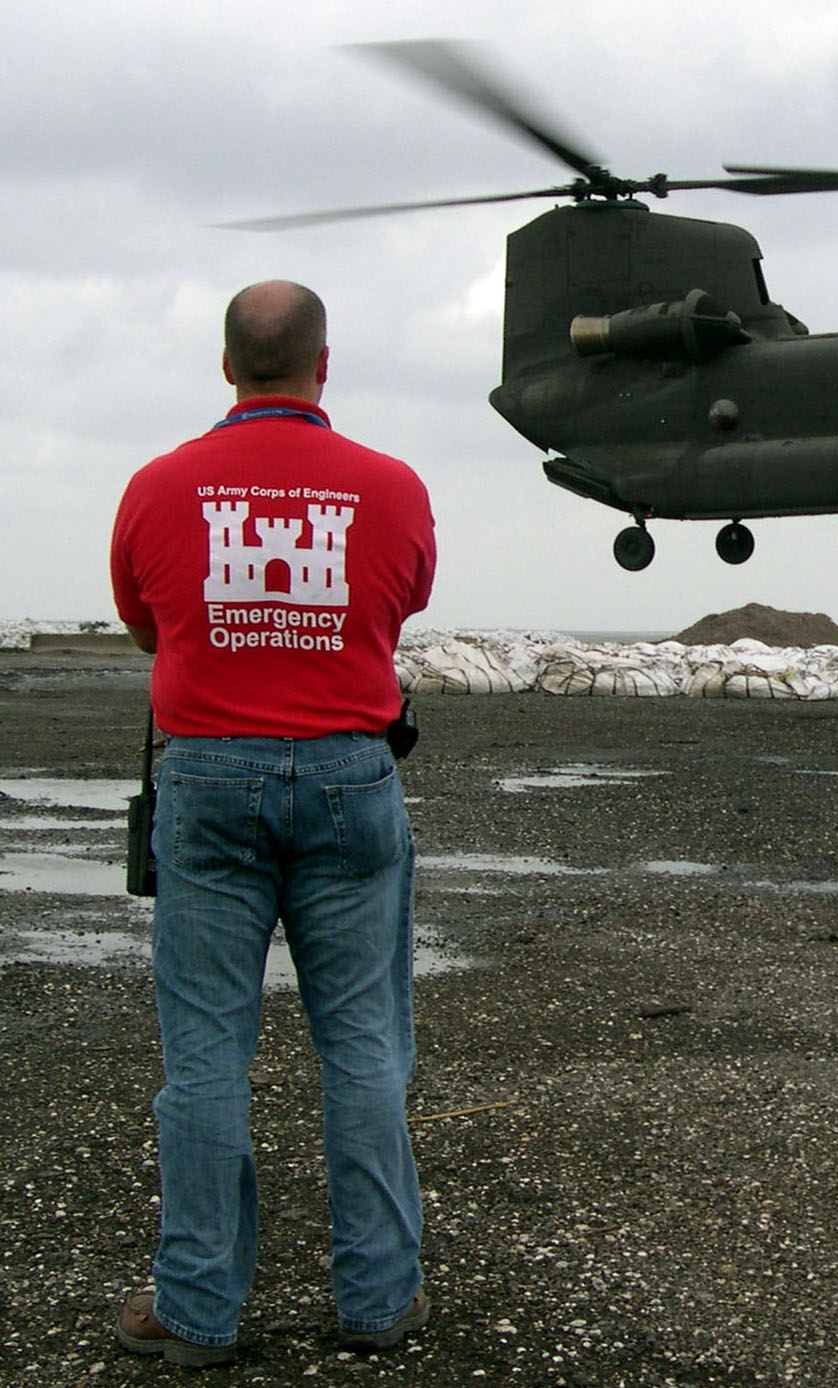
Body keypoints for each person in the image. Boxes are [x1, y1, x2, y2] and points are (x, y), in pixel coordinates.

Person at [108, 281, 437, 1365]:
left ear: (225, 367)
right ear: (322, 365)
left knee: (203, 1053)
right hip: (350, 776)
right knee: (365, 1044)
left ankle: (196, 1306)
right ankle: (380, 1298)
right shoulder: (391, 489)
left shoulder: (156, 490)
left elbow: (146, 621)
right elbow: (400, 601)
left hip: (204, 783)